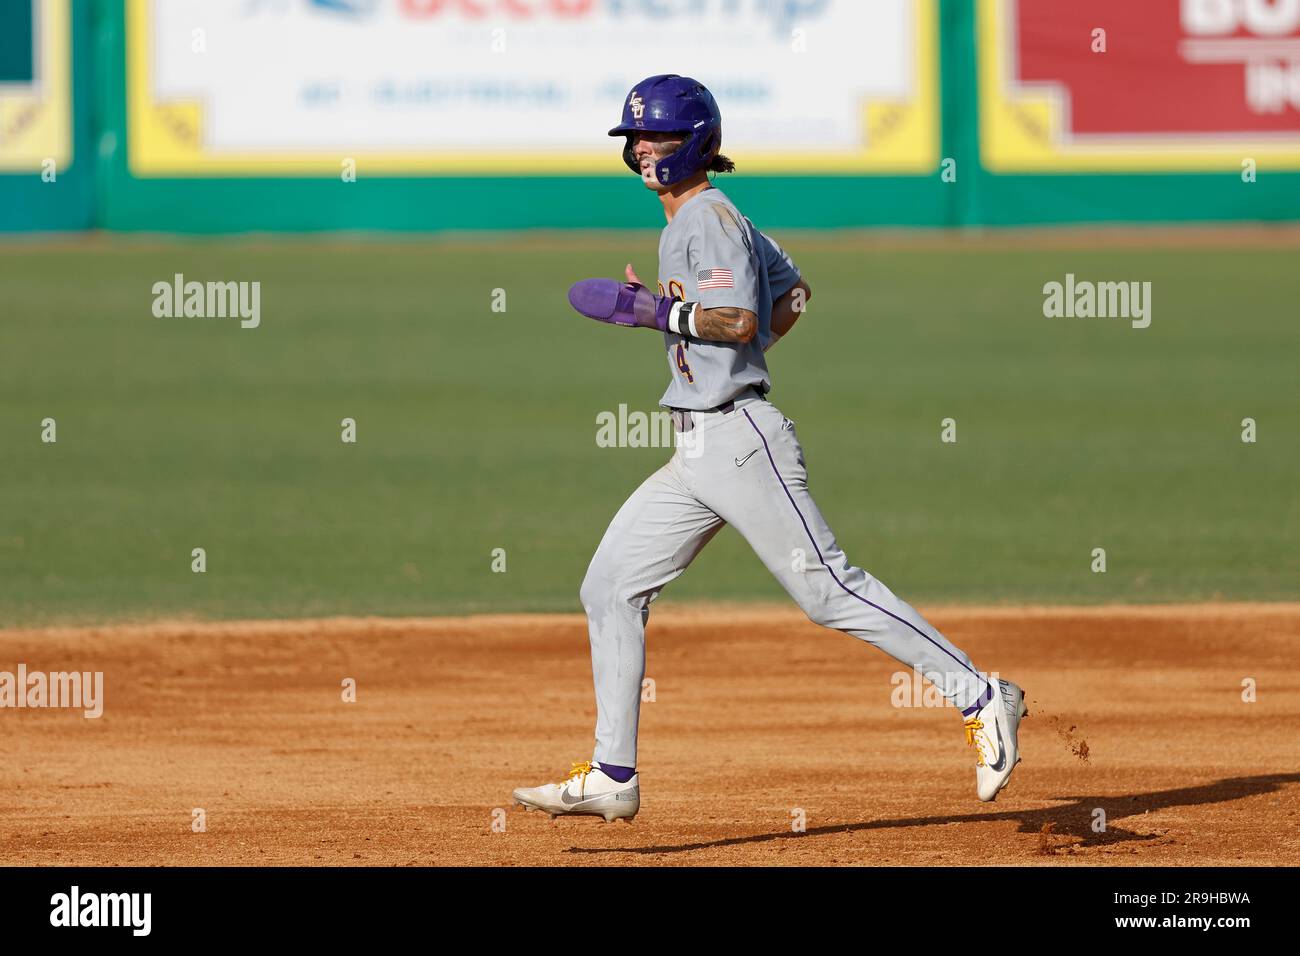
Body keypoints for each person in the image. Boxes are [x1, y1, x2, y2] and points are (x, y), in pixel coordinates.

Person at [512, 75, 1026, 823]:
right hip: (696, 449)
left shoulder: (707, 218)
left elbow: (739, 318)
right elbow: (796, 295)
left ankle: (982, 695)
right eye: (634, 138)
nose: (643, 148)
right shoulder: (713, 218)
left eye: (656, 134)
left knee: (829, 590)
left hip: (740, 441)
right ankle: (613, 773)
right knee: (610, 587)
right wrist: (687, 322)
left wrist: (661, 313)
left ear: (694, 140)